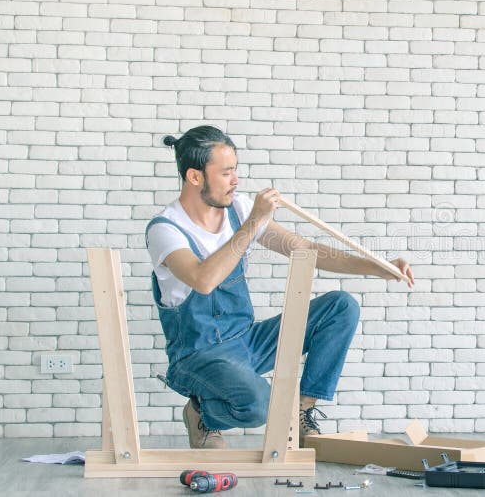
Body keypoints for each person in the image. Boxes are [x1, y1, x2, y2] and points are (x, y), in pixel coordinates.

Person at [146, 125, 415, 449]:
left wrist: (378, 267)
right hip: (198, 355)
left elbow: (304, 248)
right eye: (226, 173)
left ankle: (300, 412)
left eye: (235, 170)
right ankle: (203, 413)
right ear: (194, 177)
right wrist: (254, 222)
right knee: (260, 406)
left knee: (341, 307)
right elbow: (203, 280)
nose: (236, 181)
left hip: (246, 341)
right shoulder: (166, 229)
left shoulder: (238, 210)